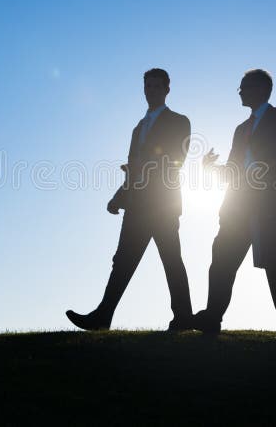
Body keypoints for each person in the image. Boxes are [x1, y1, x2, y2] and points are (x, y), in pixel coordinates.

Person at [66, 68, 194, 331]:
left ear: (167, 90)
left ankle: (183, 317)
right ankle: (102, 317)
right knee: (122, 261)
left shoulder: (179, 121)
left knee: (171, 260)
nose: (151, 91)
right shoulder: (138, 128)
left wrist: (143, 166)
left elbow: (176, 159)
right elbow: (132, 169)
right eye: (148, 86)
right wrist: (118, 197)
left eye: (157, 86)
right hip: (136, 205)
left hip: (163, 204)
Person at [193, 69, 276, 339]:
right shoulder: (240, 129)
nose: (240, 91)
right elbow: (234, 170)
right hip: (236, 206)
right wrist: (211, 168)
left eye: (244, 86)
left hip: (269, 205)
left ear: (261, 89)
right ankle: (212, 318)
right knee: (222, 262)